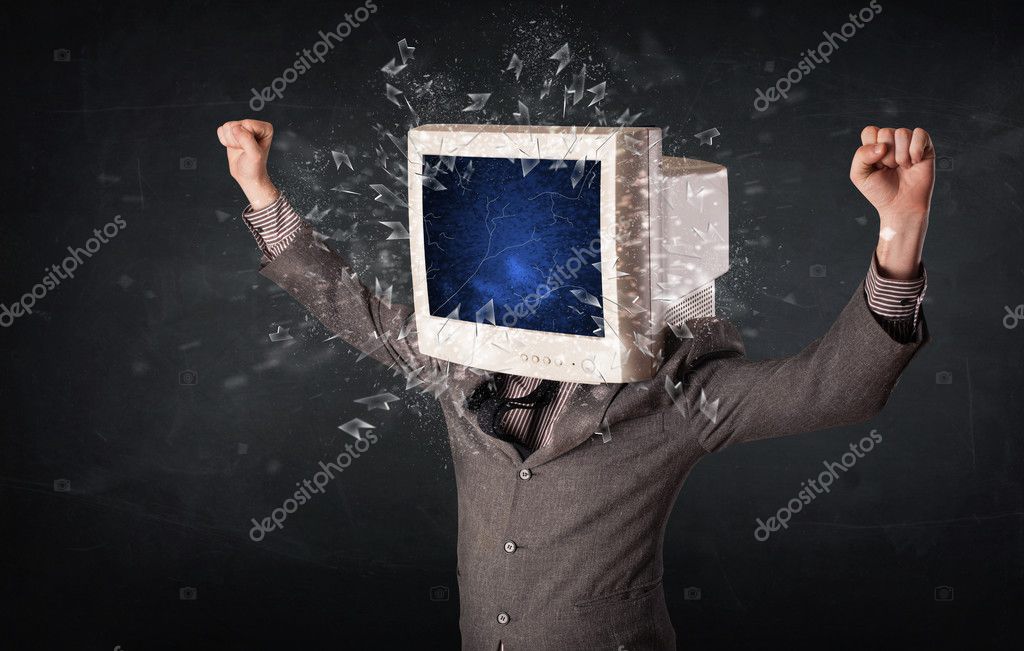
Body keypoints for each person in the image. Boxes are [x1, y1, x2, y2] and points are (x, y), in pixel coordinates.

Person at [217, 119, 933, 650]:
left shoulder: (673, 395)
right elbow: (350, 305)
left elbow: (833, 389)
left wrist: (900, 231)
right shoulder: (458, 357)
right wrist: (259, 188)